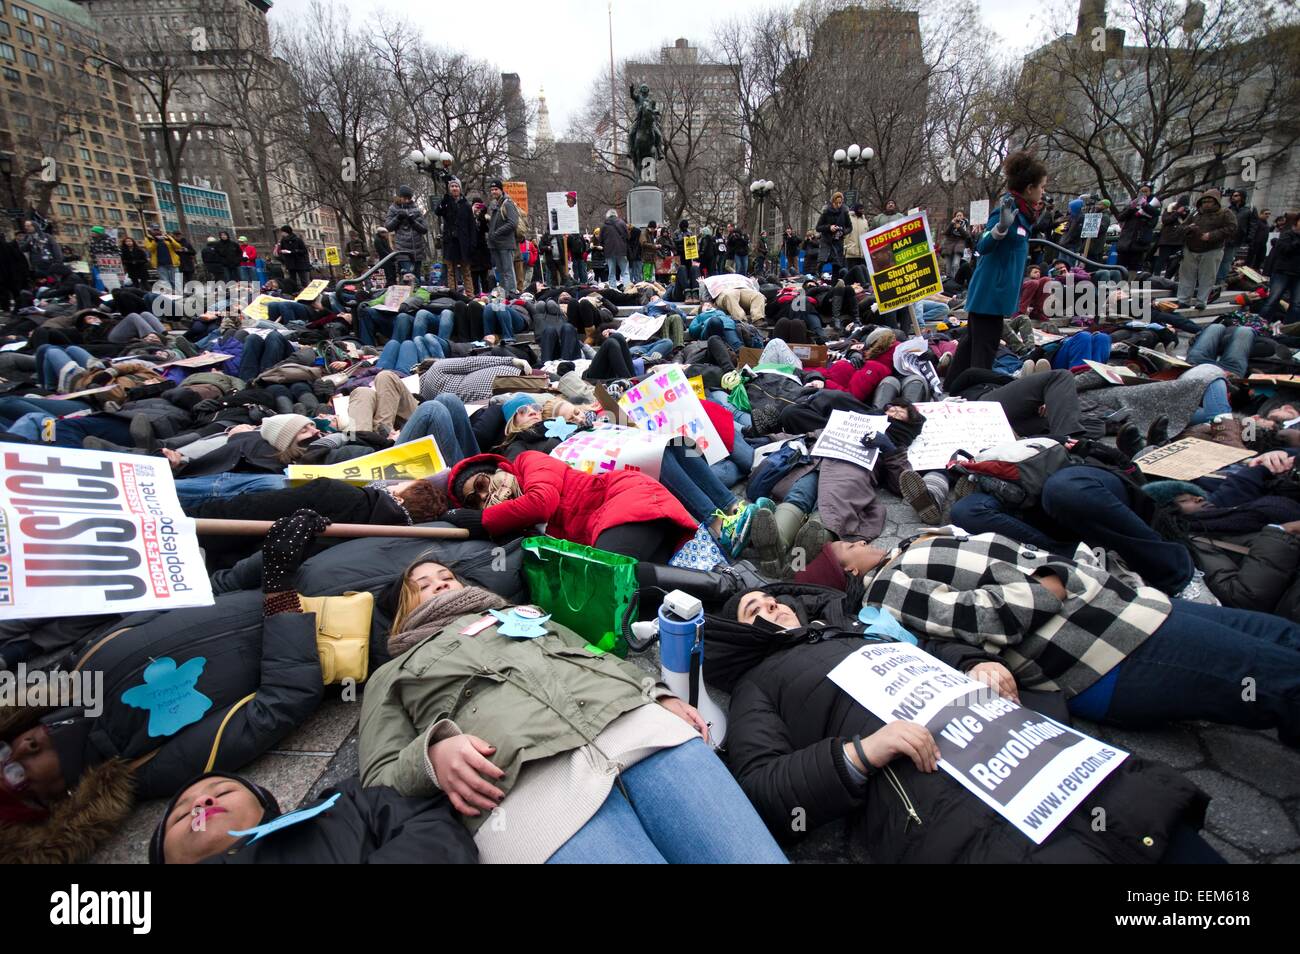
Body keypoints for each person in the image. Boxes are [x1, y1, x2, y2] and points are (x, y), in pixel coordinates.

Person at [708, 581, 1220, 863]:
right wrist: (860, 753)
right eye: (754, 609)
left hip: (1038, 750)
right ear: (742, 634)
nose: (771, 605)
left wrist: (974, 662)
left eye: (771, 597)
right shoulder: (761, 683)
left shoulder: (860, 629)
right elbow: (760, 790)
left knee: (1153, 827)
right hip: (950, 799)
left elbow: (930, 648)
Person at [358, 559, 788, 864]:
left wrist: (659, 694)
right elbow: (378, 778)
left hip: (637, 728)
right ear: (402, 610)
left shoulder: (521, 614)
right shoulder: (393, 672)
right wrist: (432, 756)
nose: (440, 584)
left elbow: (594, 656)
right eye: (423, 584)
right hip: (528, 793)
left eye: (446, 576)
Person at [0, 512, 331, 863]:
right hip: (352, 618)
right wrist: (279, 590)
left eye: (4, 751)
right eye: (17, 773)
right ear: (56, 803)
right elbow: (278, 704)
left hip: (321, 569)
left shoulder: (81, 664)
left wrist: (273, 553)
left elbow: (203, 595)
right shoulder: (143, 766)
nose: (25, 745)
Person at [847, 530, 1300, 743]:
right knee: (1282, 680)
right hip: (1107, 648)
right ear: (849, 570)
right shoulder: (887, 588)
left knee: (1281, 637)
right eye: (848, 544)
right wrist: (1051, 583)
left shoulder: (908, 547)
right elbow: (990, 618)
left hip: (1127, 604)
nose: (859, 537)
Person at [151, 772, 476, 865]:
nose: (203, 801)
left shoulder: (346, 804)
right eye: (181, 815)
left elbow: (430, 831)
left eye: (222, 791)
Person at [442, 451, 698, 562]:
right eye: (476, 501)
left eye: (481, 484)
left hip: (627, 500)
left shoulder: (528, 461)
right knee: (637, 591)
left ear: (494, 470)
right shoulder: (513, 520)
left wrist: (481, 520)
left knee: (606, 574)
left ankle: (724, 582)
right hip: (610, 530)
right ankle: (719, 583)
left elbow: (541, 504)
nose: (486, 494)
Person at [948, 151, 1048, 381]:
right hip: (990, 292)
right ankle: (977, 391)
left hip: (999, 292)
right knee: (985, 348)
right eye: (1041, 187)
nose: (1043, 192)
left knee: (972, 342)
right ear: (1030, 187)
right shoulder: (1007, 208)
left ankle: (954, 383)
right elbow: (983, 245)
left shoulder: (1024, 214)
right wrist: (1000, 229)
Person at [1175, 189, 1237, 310]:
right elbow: (1182, 227)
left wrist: (1212, 235)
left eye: (1210, 201)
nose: (1207, 203)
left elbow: (1232, 228)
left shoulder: (1225, 213)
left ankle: (1201, 301)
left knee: (1207, 277)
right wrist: (1188, 228)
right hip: (1191, 247)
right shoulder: (1195, 213)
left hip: (1212, 249)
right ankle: (1183, 299)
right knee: (1186, 276)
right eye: (1204, 201)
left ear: (1216, 202)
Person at [435, 178, 475, 292]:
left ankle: (470, 294)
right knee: (451, 271)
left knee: (466, 272)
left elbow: (471, 226)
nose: (454, 188)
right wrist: (444, 199)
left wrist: (472, 243)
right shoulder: (447, 203)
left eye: (456, 186)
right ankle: (453, 294)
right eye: (452, 186)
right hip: (450, 243)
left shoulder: (466, 205)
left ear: (460, 188)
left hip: (463, 243)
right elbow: (437, 211)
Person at [386, 185, 429, 280]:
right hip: (403, 250)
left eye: (408, 198)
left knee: (417, 277)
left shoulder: (416, 210)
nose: (406, 200)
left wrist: (413, 222)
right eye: (404, 198)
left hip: (417, 250)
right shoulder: (393, 209)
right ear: (399, 197)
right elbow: (388, 227)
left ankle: (416, 294)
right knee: (410, 277)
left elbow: (424, 229)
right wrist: (397, 218)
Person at [1262, 211, 1300, 319]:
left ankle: (1288, 329)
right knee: (1273, 300)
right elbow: (1283, 250)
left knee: (1296, 304)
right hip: (1282, 272)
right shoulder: (1287, 235)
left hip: (1298, 275)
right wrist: (1297, 242)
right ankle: (1261, 324)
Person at [486, 179, 520, 295]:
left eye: (496, 189)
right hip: (495, 244)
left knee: (508, 271)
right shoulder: (494, 205)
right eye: (492, 190)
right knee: (500, 272)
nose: (493, 192)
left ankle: (511, 294)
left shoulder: (508, 203)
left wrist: (496, 233)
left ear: (501, 190)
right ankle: (503, 295)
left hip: (505, 244)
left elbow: (512, 223)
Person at [1115, 183, 1160, 272]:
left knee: (1135, 269)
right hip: (1125, 242)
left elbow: (1153, 222)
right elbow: (1120, 217)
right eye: (1141, 191)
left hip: (1140, 244)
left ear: (1150, 192)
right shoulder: (1133, 203)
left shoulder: (1154, 206)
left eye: (1146, 191)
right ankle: (1119, 285)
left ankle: (1132, 285)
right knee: (1120, 268)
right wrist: (1131, 208)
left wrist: (1145, 206)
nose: (1143, 193)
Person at [815, 192, 850, 273]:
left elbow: (849, 227)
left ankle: (835, 282)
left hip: (838, 241)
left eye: (840, 203)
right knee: (822, 261)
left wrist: (843, 231)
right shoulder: (826, 212)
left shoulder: (844, 212)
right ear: (832, 202)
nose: (838, 205)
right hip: (826, 241)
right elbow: (818, 227)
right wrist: (829, 227)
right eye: (836, 203)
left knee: (837, 264)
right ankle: (818, 277)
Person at [274, 225, 312, 292]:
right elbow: (280, 250)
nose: (281, 234)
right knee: (292, 280)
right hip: (290, 263)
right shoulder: (283, 241)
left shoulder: (297, 240)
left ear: (286, 232)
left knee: (304, 280)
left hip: (300, 263)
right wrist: (282, 252)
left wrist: (291, 252)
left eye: (282, 232)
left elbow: (304, 250)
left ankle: (308, 293)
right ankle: (295, 292)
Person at [602, 209, 631, 289]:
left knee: (611, 272)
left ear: (608, 216)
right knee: (625, 272)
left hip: (609, 252)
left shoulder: (604, 226)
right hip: (621, 251)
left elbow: (601, 240)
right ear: (616, 215)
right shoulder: (622, 223)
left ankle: (613, 289)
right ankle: (627, 289)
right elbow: (628, 236)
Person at [941, 211, 971, 279]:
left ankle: (955, 281)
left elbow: (967, 236)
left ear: (963, 217)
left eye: (960, 215)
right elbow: (946, 233)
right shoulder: (951, 223)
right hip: (948, 247)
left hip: (958, 247)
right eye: (957, 215)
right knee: (948, 266)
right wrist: (952, 224)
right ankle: (948, 281)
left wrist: (959, 227)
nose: (959, 217)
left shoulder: (966, 224)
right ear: (955, 217)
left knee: (955, 264)